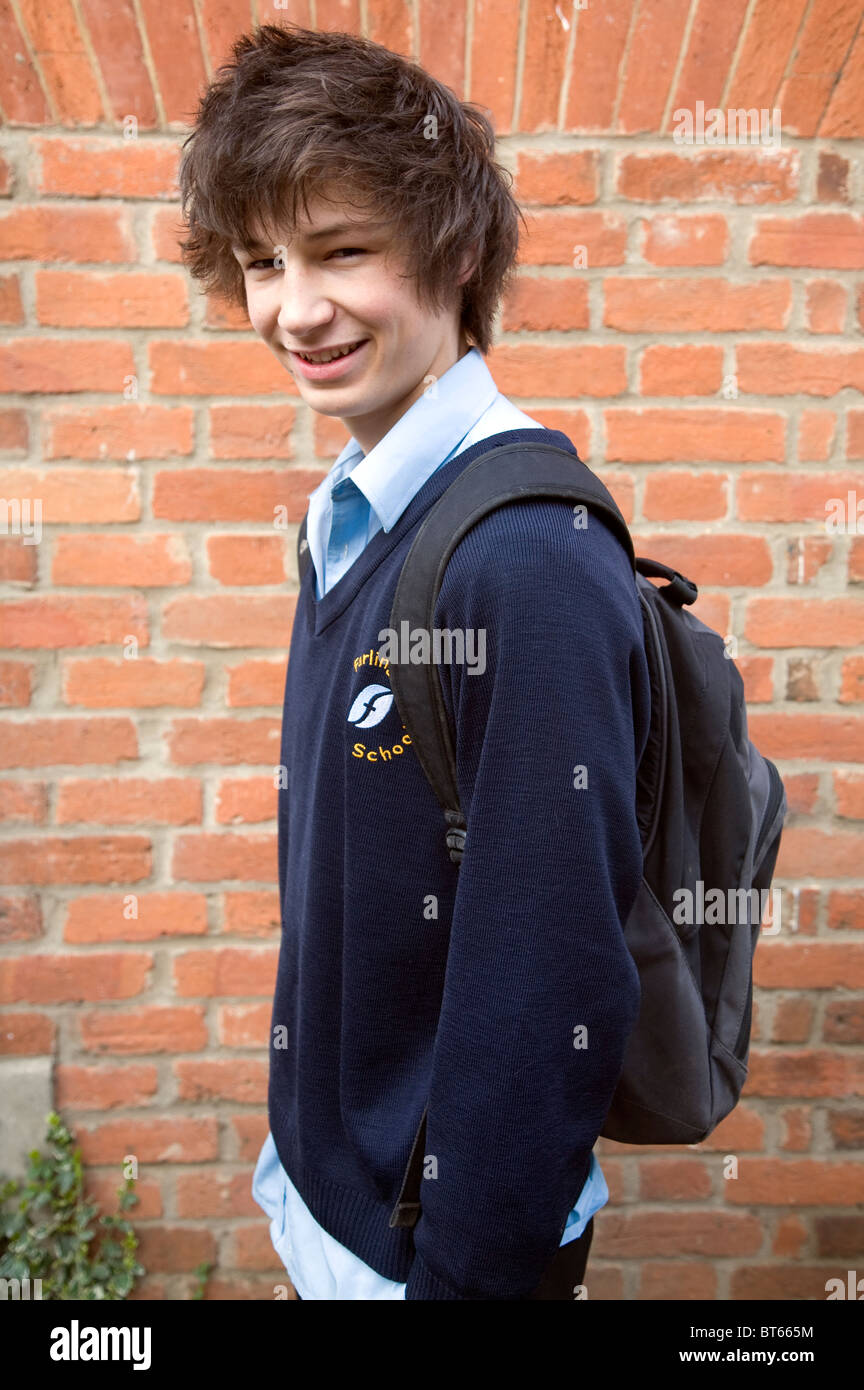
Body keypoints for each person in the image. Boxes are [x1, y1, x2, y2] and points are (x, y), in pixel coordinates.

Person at [178, 21, 650, 1300]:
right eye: (264, 261)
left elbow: (549, 985)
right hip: (328, 1198)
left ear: (453, 252)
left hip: (426, 1260)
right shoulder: (356, 510)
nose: (296, 307)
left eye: (342, 251)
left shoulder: (523, 562)